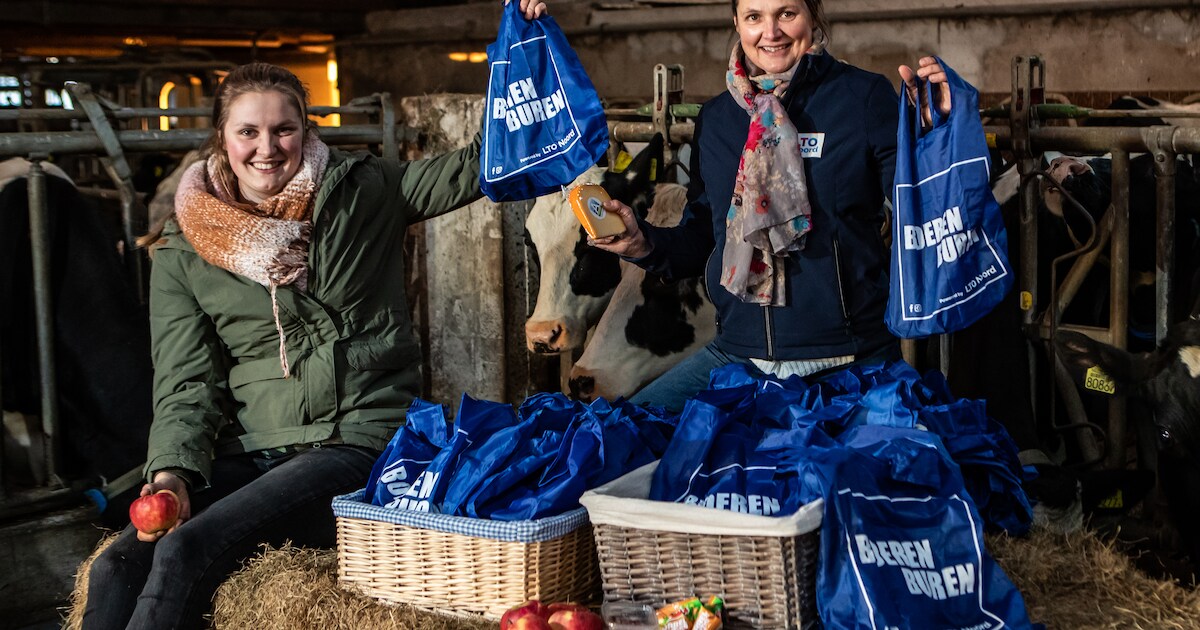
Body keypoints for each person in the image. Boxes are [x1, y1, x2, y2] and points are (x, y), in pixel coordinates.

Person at [81, 3, 547, 628]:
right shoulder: (183, 247)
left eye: (283, 130)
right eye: (248, 131)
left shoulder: (367, 191)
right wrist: (173, 471)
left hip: (356, 437)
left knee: (187, 549)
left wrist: (527, 44)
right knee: (116, 567)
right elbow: (186, 382)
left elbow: (484, 162)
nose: (267, 149)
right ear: (223, 136)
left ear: (307, 130)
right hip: (255, 445)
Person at [590, 0, 950, 412]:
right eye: (754, 17)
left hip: (850, 361)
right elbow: (705, 236)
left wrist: (939, 138)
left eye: (786, 13)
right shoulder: (718, 117)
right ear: (737, 24)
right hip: (738, 357)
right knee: (623, 433)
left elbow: (924, 210)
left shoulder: (861, 98)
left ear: (813, 16)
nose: (771, 32)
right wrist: (643, 244)